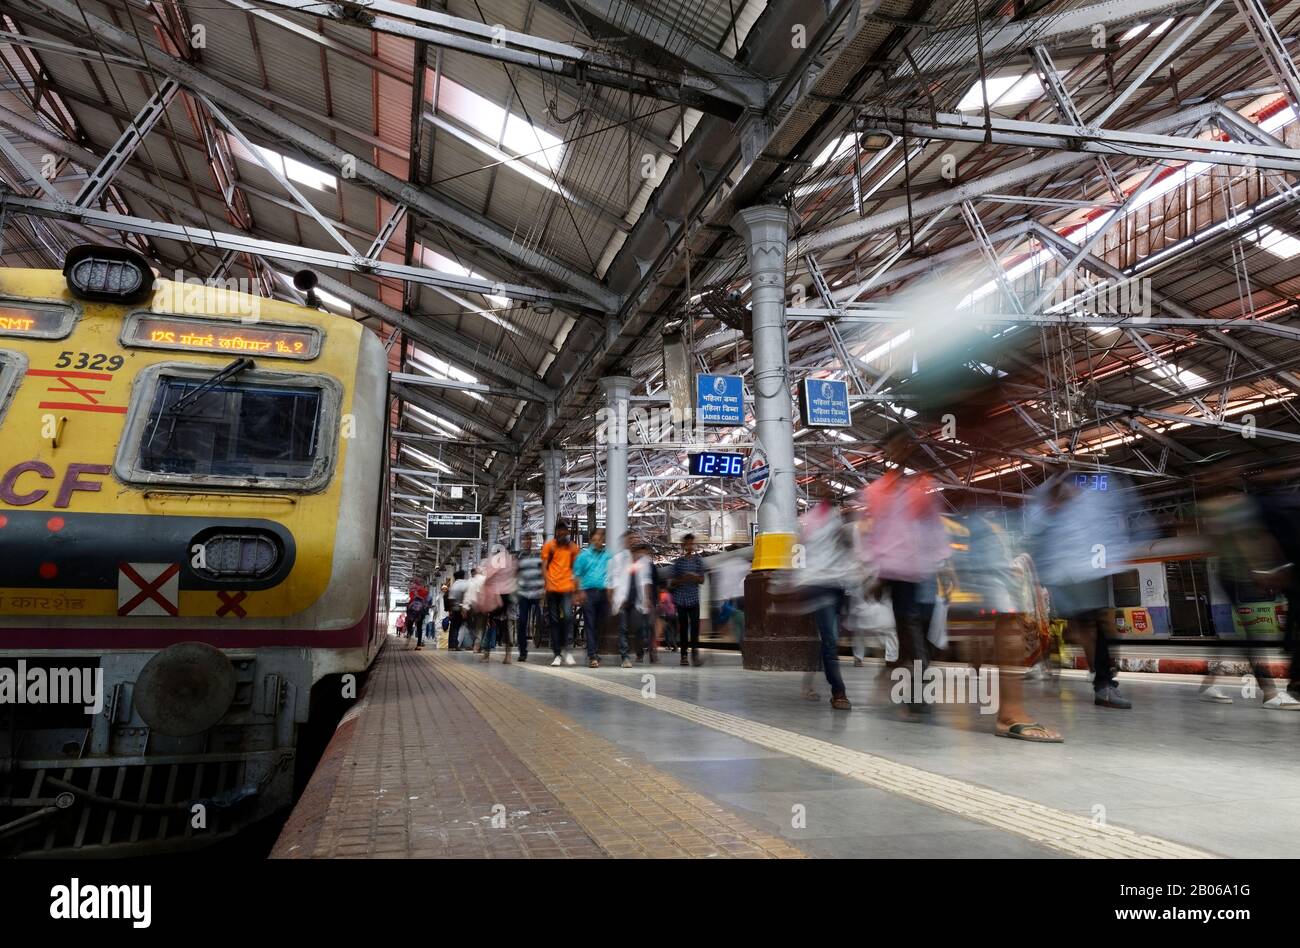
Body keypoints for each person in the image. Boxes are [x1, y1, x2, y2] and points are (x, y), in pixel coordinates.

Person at [859, 426, 953, 719]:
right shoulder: (875, 492)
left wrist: (945, 564)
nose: (901, 450)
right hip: (896, 574)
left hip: (922, 571)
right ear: (886, 453)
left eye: (906, 444)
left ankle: (906, 679)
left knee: (922, 633)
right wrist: (873, 571)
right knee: (911, 631)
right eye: (895, 446)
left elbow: (935, 528)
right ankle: (919, 694)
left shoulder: (923, 487)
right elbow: (873, 535)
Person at [1024, 471, 1134, 712]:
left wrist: (1116, 557)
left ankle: (1101, 680)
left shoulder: (1092, 494)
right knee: (1088, 628)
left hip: (1086, 572)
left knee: (1096, 626)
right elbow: (1035, 539)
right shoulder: (1041, 504)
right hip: (1065, 577)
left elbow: (1105, 523)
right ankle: (1101, 681)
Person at [793, 497, 866, 710]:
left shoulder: (840, 523)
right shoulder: (808, 522)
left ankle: (809, 683)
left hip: (839, 586)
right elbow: (802, 555)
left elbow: (850, 553)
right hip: (818, 586)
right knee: (829, 639)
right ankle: (838, 691)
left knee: (828, 639)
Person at [611, 536, 656, 667]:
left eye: (634, 540)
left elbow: (646, 580)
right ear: (625, 542)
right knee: (623, 628)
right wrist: (615, 597)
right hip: (623, 599)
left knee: (640, 628)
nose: (632, 542)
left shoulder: (644, 561)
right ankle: (625, 657)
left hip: (638, 600)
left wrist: (647, 598)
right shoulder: (619, 559)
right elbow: (614, 580)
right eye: (629, 540)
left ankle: (639, 652)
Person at [573, 527, 612, 667]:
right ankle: (592, 656)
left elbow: (612, 573)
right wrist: (580, 591)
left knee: (600, 624)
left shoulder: (607, 555)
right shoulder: (583, 556)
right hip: (588, 593)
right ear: (590, 540)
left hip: (603, 594)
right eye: (596, 539)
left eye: (601, 539)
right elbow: (577, 575)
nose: (598, 541)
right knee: (590, 623)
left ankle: (594, 650)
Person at [541, 520, 578, 666]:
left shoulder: (573, 548)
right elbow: (544, 567)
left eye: (564, 531)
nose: (562, 534)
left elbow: (576, 569)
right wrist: (547, 582)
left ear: (567, 532)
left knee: (568, 617)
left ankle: (568, 650)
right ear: (556, 532)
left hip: (567, 588)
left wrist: (576, 589)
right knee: (554, 621)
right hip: (552, 589)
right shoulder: (549, 546)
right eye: (559, 531)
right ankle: (557, 654)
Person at [669, 534, 706, 667]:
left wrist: (694, 578)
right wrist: (682, 579)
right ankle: (684, 656)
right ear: (683, 546)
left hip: (694, 599)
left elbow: (702, 580)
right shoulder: (678, 563)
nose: (690, 546)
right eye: (687, 544)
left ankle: (695, 654)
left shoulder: (698, 561)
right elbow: (672, 582)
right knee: (684, 628)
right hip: (681, 600)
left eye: (692, 543)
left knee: (695, 628)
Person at [478, 546, 517, 662]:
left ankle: (486, 654)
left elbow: (489, 576)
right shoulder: (511, 561)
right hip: (507, 596)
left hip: (496, 596)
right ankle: (508, 655)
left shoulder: (495, 561)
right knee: (504, 625)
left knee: (490, 624)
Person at [514, 533, 543, 663]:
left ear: (531, 542)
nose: (527, 542)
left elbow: (543, 572)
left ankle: (540, 640)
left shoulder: (538, 556)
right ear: (522, 543)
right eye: (525, 540)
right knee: (522, 623)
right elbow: (514, 574)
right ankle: (523, 652)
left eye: (528, 540)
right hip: (523, 594)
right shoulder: (519, 557)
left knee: (541, 620)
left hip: (537, 593)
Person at [447, 570, 469, 650]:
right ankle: (457, 645)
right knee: (463, 627)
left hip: (454, 608)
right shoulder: (465, 584)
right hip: (463, 608)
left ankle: (452, 645)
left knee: (453, 627)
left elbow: (450, 599)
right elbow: (466, 597)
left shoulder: (454, 585)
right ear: (462, 576)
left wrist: (450, 610)